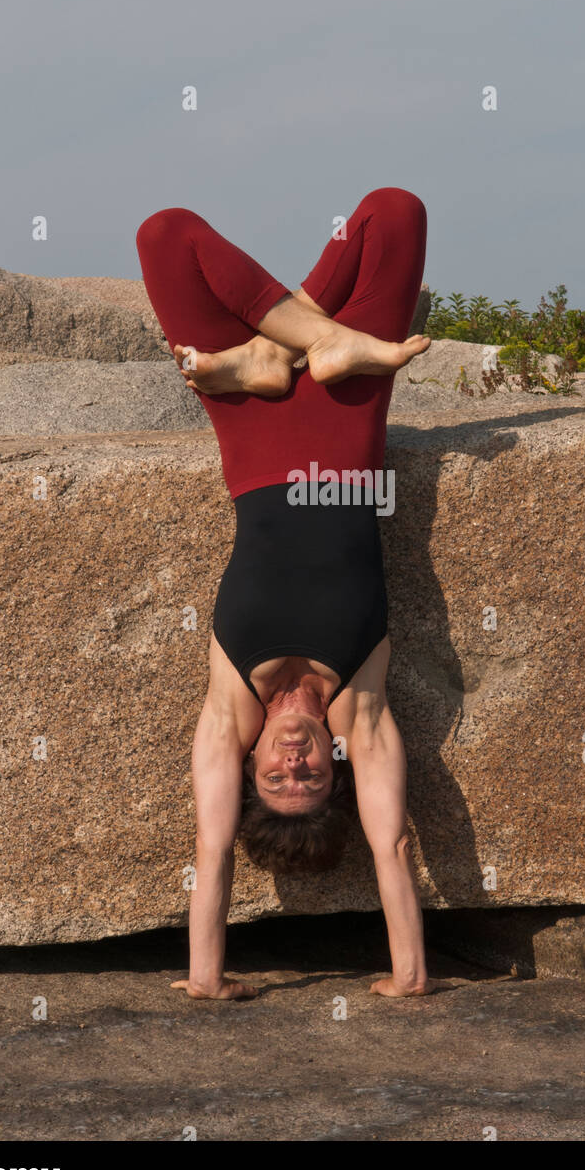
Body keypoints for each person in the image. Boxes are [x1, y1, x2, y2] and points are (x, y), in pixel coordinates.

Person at [135, 187, 436, 1000]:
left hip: (248, 417)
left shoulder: (227, 710)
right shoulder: (359, 712)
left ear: (253, 767)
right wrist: (408, 976)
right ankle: (318, 341)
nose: (296, 762)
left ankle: (291, 345)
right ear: (335, 770)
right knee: (394, 210)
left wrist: (206, 980)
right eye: (312, 778)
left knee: (164, 231)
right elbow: (392, 846)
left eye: (278, 777)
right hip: (346, 412)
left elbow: (209, 849)